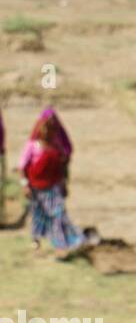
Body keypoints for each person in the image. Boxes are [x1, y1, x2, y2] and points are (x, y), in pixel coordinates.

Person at [19, 108, 87, 258]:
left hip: (52, 188)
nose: (49, 134)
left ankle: (61, 246)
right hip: (36, 188)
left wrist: (63, 184)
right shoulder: (32, 146)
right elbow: (22, 167)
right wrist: (25, 184)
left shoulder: (57, 147)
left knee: (58, 215)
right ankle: (36, 240)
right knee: (38, 214)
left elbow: (61, 168)